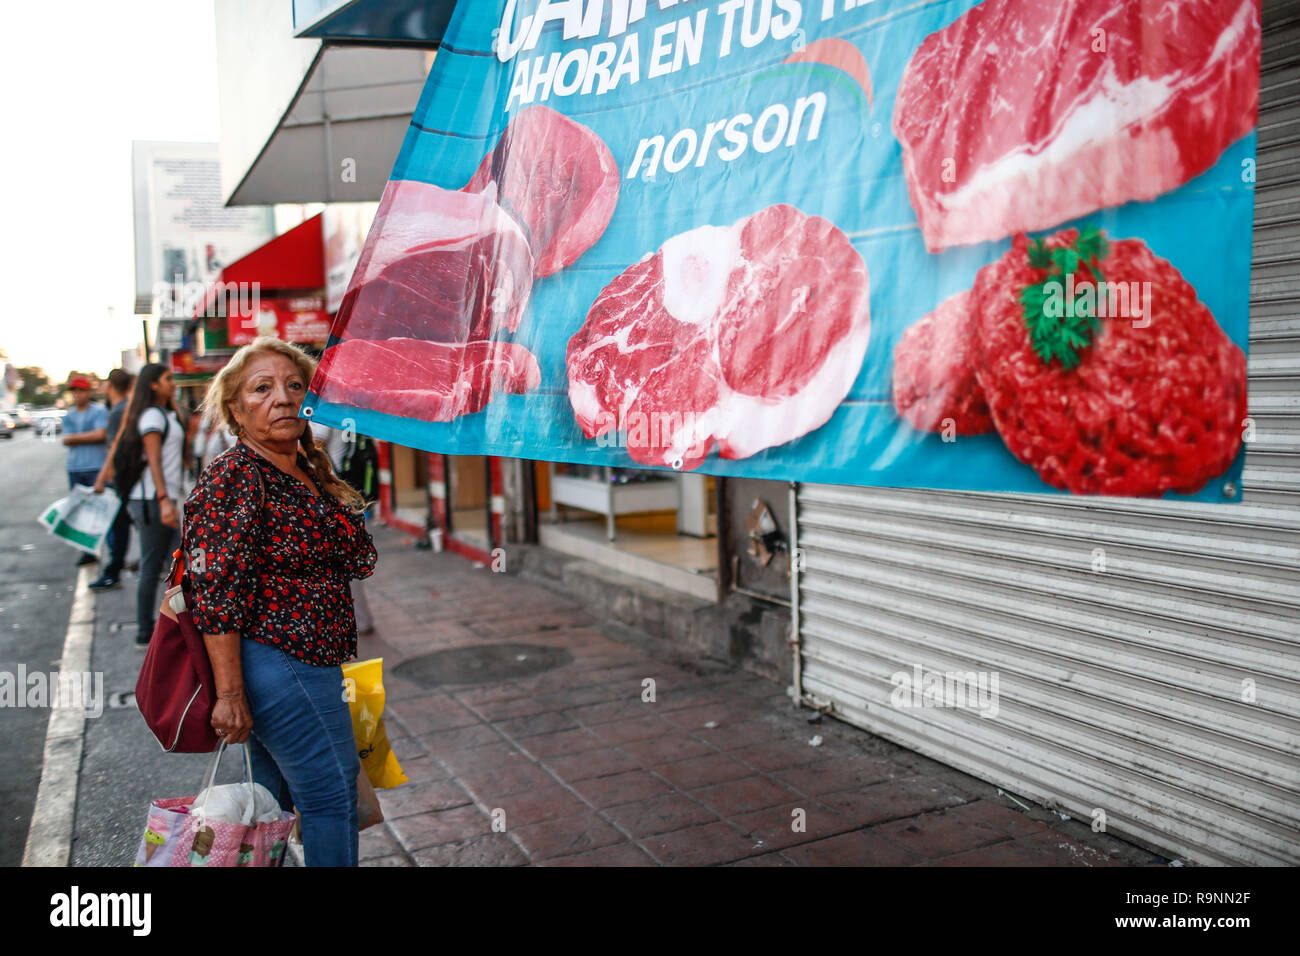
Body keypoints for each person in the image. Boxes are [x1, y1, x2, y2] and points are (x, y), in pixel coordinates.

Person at [183, 336, 376, 867]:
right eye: (262, 388)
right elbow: (215, 594)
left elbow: (355, 561)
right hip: (281, 662)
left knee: (278, 807)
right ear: (235, 408)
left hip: (312, 659)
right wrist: (229, 694)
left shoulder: (305, 470)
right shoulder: (236, 476)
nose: (283, 399)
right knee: (332, 797)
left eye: (295, 386)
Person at [113, 364, 186, 647]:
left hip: (161, 499)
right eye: (168, 379)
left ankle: (177, 628)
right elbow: (154, 461)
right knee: (153, 565)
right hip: (152, 501)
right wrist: (163, 499)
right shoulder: (151, 416)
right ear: (153, 385)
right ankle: (145, 631)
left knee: (175, 565)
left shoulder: (167, 413)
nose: (174, 383)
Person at [89, 369, 136, 591]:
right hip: (125, 478)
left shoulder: (119, 410)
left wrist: (106, 474)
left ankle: (113, 571)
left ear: (110, 385)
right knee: (127, 525)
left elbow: (116, 445)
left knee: (120, 527)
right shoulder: (121, 408)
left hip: (121, 478)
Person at [61, 375, 110, 567]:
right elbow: (66, 439)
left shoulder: (98, 411)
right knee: (81, 512)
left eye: (81, 390)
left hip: (96, 466)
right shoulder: (69, 415)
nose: (77, 394)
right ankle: (88, 551)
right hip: (75, 467)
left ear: (88, 392)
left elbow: (100, 434)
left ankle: (110, 553)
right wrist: (85, 437)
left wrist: (76, 438)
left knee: (102, 509)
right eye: (74, 390)